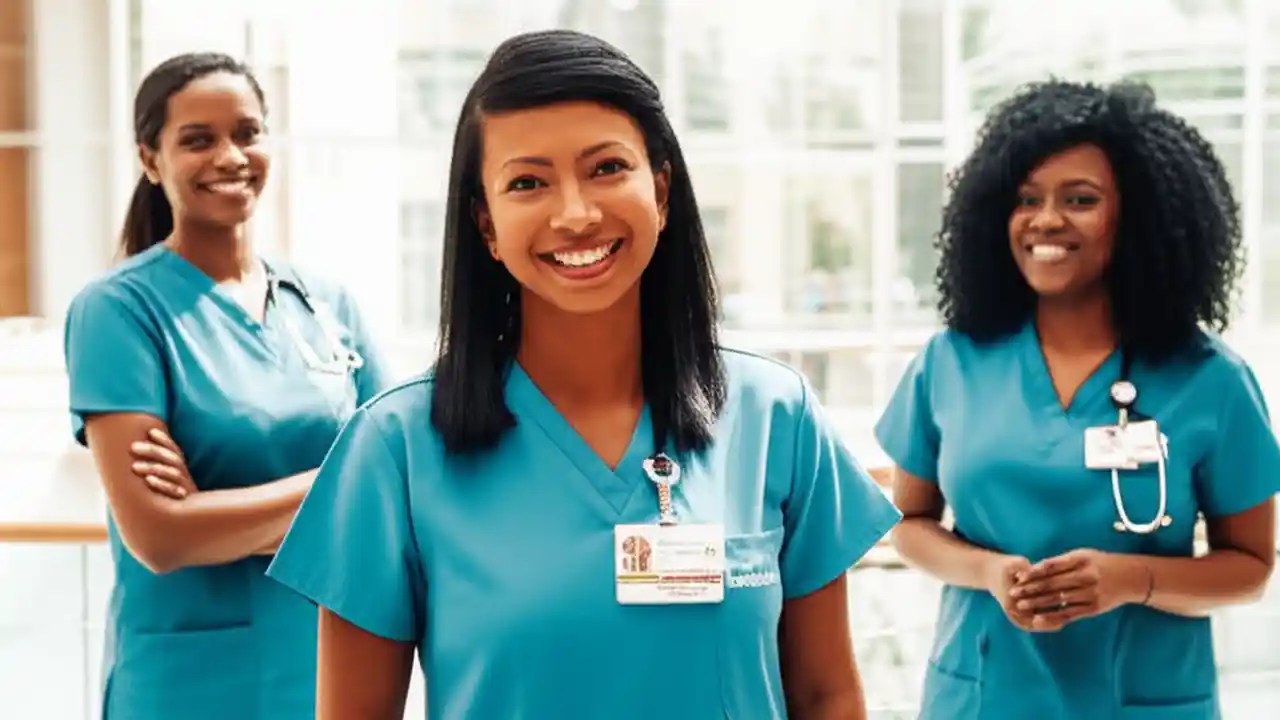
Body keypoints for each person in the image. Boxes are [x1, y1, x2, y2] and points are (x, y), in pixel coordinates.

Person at [266, 29, 901, 720]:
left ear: (660, 189)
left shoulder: (777, 416)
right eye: (528, 183)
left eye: (606, 169)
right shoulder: (396, 448)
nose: (575, 213)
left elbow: (825, 695)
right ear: (487, 225)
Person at [875, 78, 1279, 719]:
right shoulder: (951, 362)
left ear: (1140, 219)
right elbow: (911, 526)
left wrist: (1132, 580)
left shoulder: (1212, 381)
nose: (1046, 220)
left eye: (1081, 199)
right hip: (983, 696)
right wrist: (987, 572)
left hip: (1142, 700)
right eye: (1026, 199)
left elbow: (1250, 566)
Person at [63, 52, 393, 719]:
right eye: (197, 139)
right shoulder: (118, 311)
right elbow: (159, 536)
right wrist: (341, 491)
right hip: (190, 685)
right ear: (151, 161)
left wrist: (223, 515)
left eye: (246, 132)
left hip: (332, 668)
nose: (230, 155)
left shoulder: (327, 304)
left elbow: (403, 483)